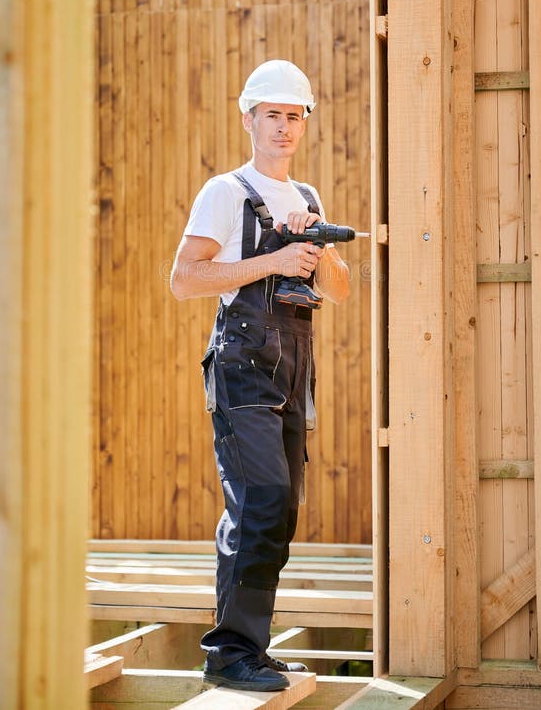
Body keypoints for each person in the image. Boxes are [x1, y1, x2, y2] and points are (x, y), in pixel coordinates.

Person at [171, 59, 350, 691]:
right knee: (258, 503)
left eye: (293, 116)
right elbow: (185, 279)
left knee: (281, 510)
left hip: (292, 370)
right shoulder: (225, 190)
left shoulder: (307, 199)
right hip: (242, 368)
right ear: (249, 117)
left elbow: (344, 291)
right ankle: (228, 653)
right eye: (271, 114)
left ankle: (253, 648)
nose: (283, 126)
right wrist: (270, 258)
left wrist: (313, 250)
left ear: (305, 124)